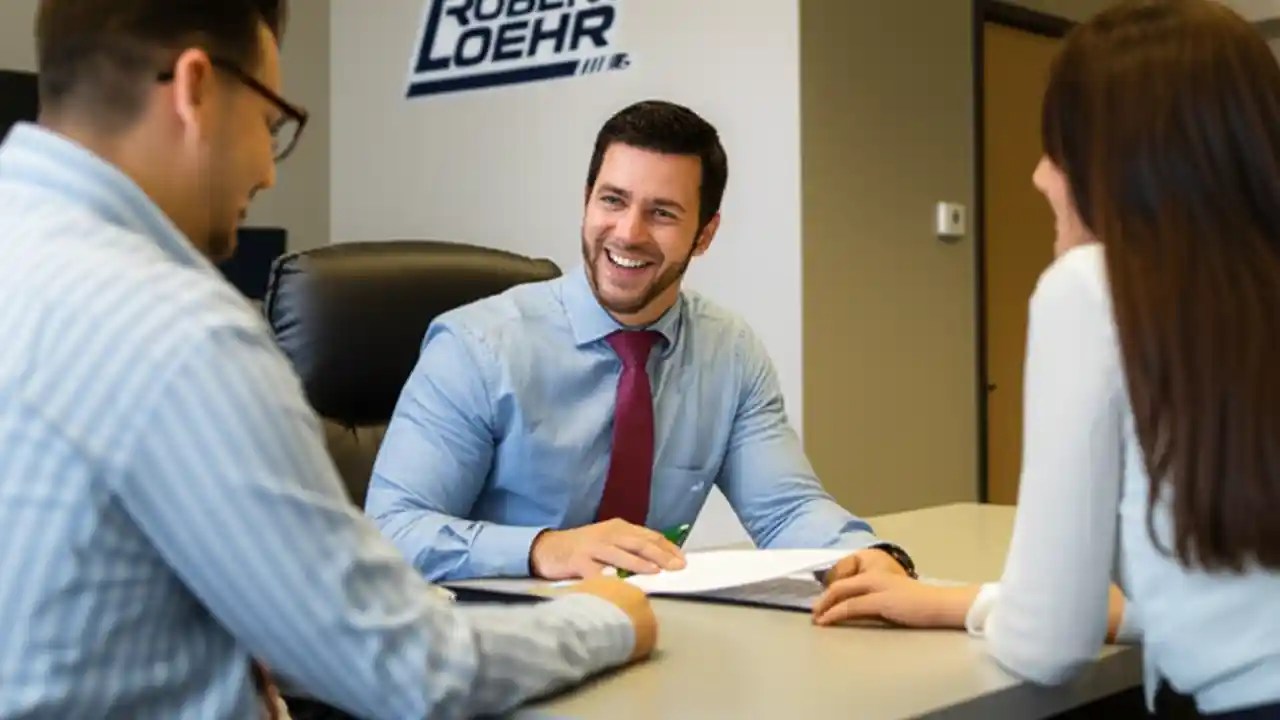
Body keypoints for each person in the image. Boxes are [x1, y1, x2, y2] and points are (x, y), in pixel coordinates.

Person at [0, 1, 658, 718]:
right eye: (270, 124)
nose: (268, 172)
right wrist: (610, 617)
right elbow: (405, 667)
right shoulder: (180, 331)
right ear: (193, 89)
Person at [809, 1, 1280, 716]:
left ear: (1122, 160)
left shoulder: (1093, 287)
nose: (1038, 176)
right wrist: (963, 601)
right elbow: (1228, 597)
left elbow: (1048, 644)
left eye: (1058, 146)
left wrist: (993, 610)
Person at [365, 99, 916, 585]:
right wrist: (541, 548)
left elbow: (786, 510)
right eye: (612, 200)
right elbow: (391, 531)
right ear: (586, 201)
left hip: (643, 637)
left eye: (662, 213)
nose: (628, 233)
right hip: (487, 644)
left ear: (705, 235)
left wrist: (863, 556)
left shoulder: (729, 351)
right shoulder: (476, 346)